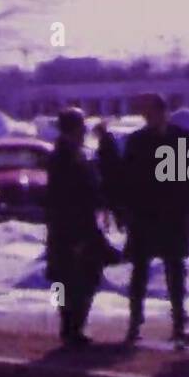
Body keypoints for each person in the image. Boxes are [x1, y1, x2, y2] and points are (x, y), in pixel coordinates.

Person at [121, 94, 189, 349]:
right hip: (144, 215)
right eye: (145, 113)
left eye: (152, 112)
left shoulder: (182, 139)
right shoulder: (137, 141)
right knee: (140, 272)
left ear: (163, 112)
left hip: (173, 214)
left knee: (175, 270)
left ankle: (179, 322)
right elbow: (128, 179)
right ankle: (135, 322)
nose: (149, 117)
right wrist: (126, 209)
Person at [45, 108, 113, 347]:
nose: (84, 132)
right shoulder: (66, 157)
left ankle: (69, 326)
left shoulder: (70, 154)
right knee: (76, 278)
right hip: (72, 228)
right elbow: (70, 196)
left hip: (68, 228)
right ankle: (71, 326)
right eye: (81, 127)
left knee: (66, 279)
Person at [93, 121, 124, 231]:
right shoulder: (109, 141)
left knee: (111, 202)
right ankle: (111, 224)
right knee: (110, 203)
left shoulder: (106, 142)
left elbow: (106, 160)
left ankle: (115, 224)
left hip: (110, 177)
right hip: (110, 177)